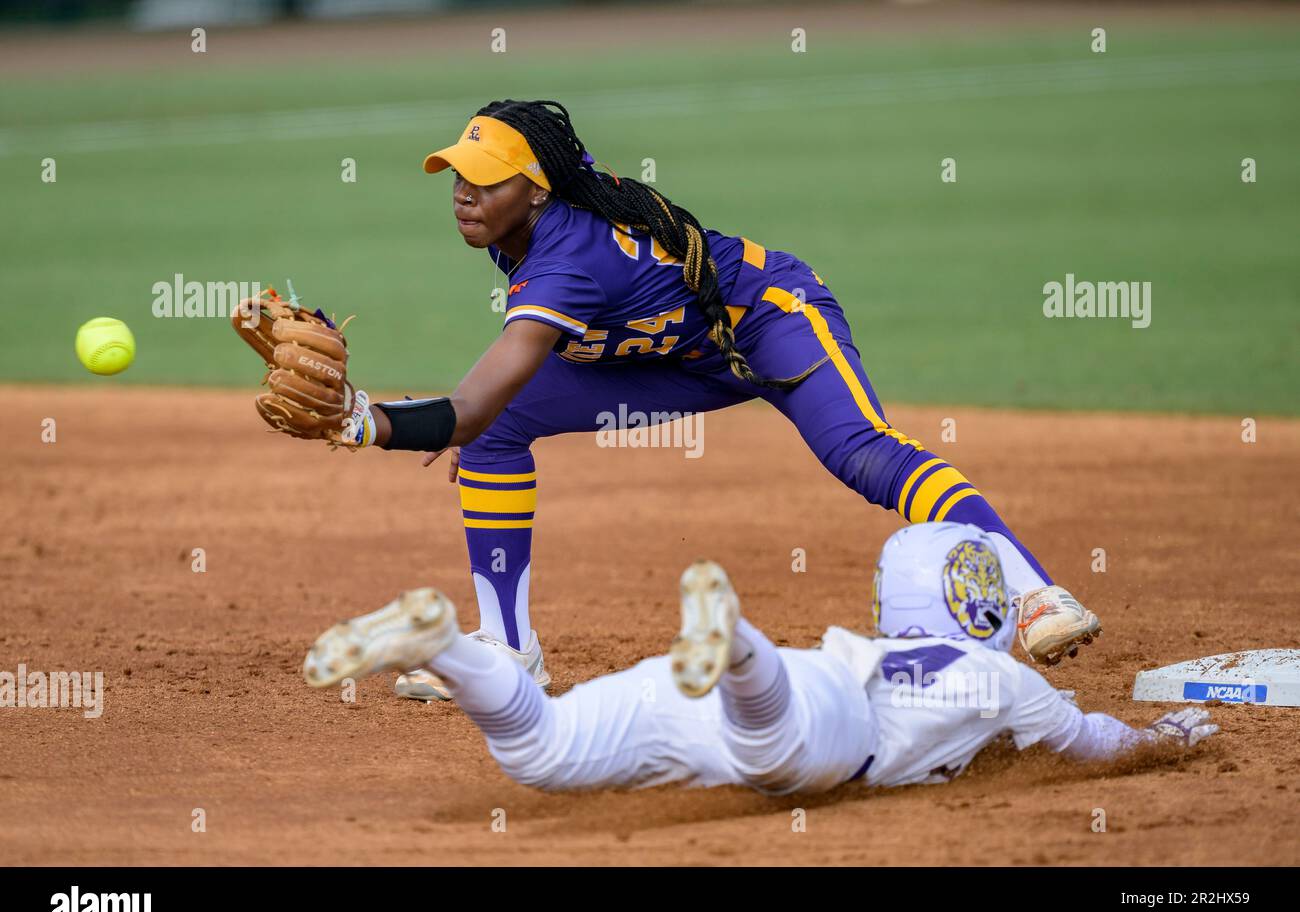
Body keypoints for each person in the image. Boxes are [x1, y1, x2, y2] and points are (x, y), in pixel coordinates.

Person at [338, 99, 1101, 702]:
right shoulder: (528, 223)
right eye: (458, 176)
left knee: (862, 455)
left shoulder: (565, 253)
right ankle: (508, 651)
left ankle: (1034, 594)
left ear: (536, 190)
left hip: (767, 321)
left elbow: (470, 407)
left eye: (486, 180)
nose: (464, 195)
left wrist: (364, 421)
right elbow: (489, 399)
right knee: (499, 428)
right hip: (668, 357)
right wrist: (465, 414)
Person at [302, 524, 1214, 794]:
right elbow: (1096, 740)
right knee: (774, 751)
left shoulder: (884, 645)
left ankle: (448, 646)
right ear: (976, 600)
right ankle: (732, 638)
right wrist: (1171, 735)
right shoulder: (1007, 681)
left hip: (708, 693)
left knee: (539, 752)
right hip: (818, 719)